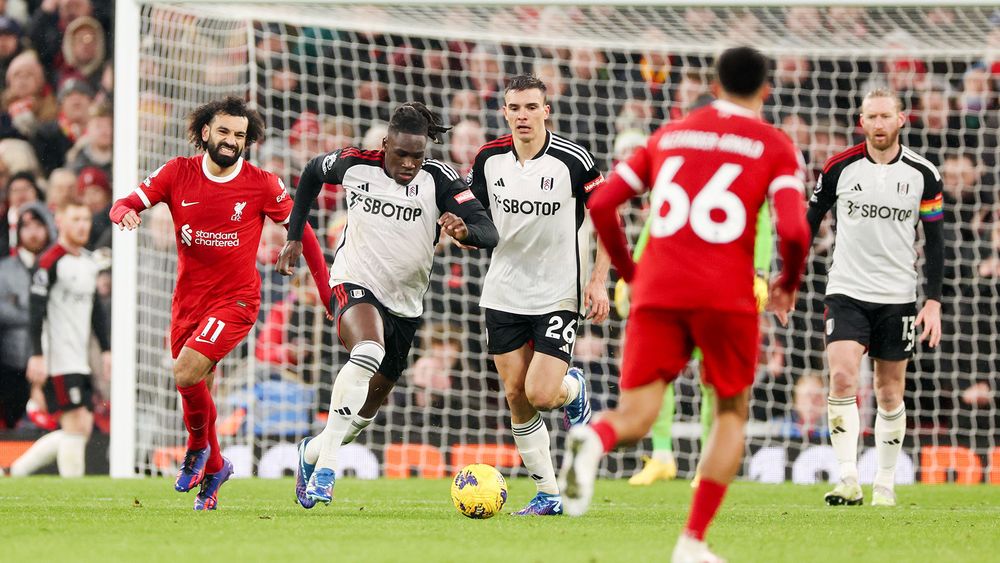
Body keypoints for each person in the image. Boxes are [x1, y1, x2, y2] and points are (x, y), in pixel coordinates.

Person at [558, 46, 811, 563]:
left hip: (658, 292)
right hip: (726, 295)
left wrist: (632, 273)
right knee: (731, 414)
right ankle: (692, 541)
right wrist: (789, 282)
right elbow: (794, 228)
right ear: (765, 90)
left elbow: (603, 203)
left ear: (714, 86)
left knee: (635, 415)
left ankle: (595, 440)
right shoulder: (773, 144)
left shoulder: (669, 135)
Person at [109, 96, 331, 510]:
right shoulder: (177, 172)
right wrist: (124, 213)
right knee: (198, 389)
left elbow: (307, 237)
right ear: (205, 132)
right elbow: (124, 202)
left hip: (237, 301)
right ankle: (215, 471)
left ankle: (195, 451)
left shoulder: (262, 183)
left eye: (240, 136)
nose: (232, 141)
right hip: (188, 304)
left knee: (185, 371)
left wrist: (327, 294)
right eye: (225, 132)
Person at [276, 102, 498, 508]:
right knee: (368, 350)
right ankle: (326, 469)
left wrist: (465, 230)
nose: (410, 163)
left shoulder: (440, 180)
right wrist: (294, 234)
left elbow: (489, 231)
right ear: (385, 145)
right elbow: (310, 173)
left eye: (418, 155)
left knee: (362, 417)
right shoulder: (353, 164)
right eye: (402, 154)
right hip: (352, 282)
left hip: (405, 306)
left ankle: (310, 452)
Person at [467, 74, 611, 516]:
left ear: (546, 110)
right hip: (503, 290)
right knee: (516, 393)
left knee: (544, 393)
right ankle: (548, 492)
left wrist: (600, 279)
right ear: (504, 112)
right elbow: (475, 219)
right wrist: (457, 232)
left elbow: (608, 219)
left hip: (557, 292)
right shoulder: (488, 160)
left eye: (532, 107)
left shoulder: (574, 161)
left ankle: (574, 388)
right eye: (516, 108)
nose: (524, 115)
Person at [623, 93, 774, 487]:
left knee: (714, 380)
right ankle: (661, 456)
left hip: (721, 289)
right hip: (673, 287)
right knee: (657, 377)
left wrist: (759, 273)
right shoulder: (674, 166)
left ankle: (708, 460)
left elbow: (763, 222)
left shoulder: (740, 164)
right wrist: (633, 274)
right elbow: (658, 223)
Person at [807, 88, 944, 508]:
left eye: (887, 116)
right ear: (861, 121)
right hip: (847, 289)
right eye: (872, 117)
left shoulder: (924, 173)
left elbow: (936, 241)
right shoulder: (838, 168)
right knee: (843, 377)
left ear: (902, 119)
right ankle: (848, 478)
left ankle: (884, 483)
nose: (879, 124)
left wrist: (933, 300)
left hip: (898, 296)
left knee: (889, 392)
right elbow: (808, 221)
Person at [9, 199, 108, 477]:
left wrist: (106, 350)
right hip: (59, 358)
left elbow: (96, 313)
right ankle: (73, 490)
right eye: (75, 219)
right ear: (60, 223)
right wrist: (37, 355)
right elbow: (35, 312)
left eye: (86, 220)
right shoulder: (50, 261)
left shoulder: (89, 263)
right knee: (77, 424)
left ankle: (12, 472)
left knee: (81, 426)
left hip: (81, 359)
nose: (82, 226)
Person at [0, 203, 54, 429]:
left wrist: (23, 309)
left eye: (38, 225)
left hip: (53, 358)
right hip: (13, 363)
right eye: (27, 226)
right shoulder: (4, 269)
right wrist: (37, 315)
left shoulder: (56, 264)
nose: (33, 232)